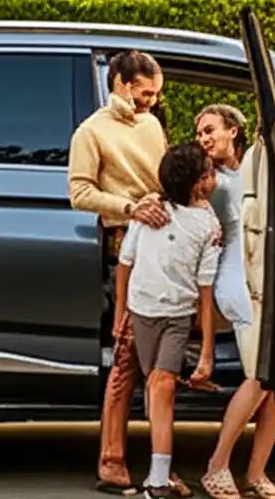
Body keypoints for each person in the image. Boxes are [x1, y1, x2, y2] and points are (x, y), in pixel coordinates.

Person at [67, 50, 189, 497]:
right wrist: (130, 208)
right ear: (120, 85)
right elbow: (79, 192)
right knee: (126, 355)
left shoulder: (153, 125)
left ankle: (158, 466)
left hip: (166, 246)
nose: (152, 103)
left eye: (156, 96)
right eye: (144, 95)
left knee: (161, 366)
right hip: (126, 248)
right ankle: (112, 460)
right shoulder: (91, 132)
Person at [195, 104, 275, 499]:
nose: (203, 137)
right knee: (260, 373)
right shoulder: (207, 178)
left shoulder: (256, 165)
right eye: (199, 132)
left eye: (210, 129)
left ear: (233, 130)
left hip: (263, 271)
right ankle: (217, 466)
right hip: (234, 273)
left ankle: (256, 473)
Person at [117, 142, 221, 499]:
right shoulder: (151, 210)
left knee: (162, 385)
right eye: (208, 173)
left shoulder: (208, 224)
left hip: (178, 315)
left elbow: (205, 291)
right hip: (143, 310)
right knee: (155, 390)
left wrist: (206, 351)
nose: (214, 177)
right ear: (194, 182)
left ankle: (157, 482)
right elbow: (125, 264)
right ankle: (163, 470)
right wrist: (121, 315)